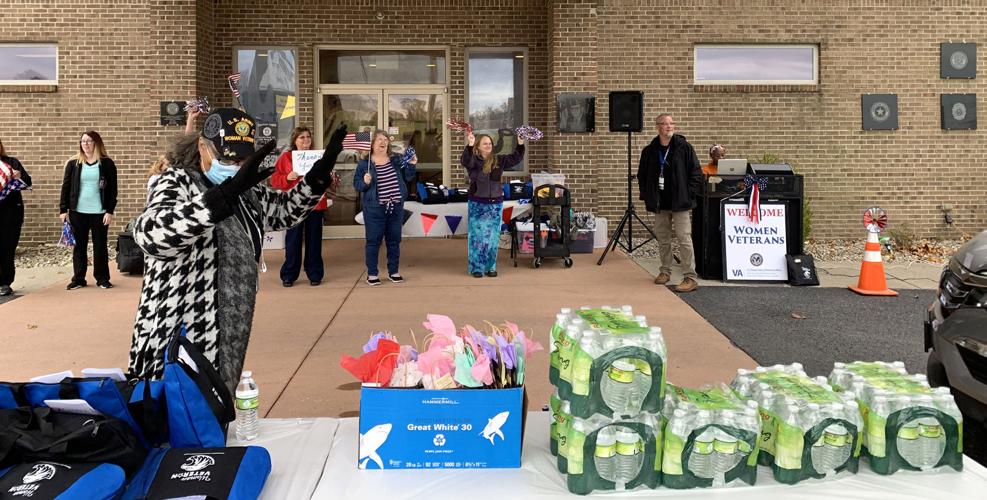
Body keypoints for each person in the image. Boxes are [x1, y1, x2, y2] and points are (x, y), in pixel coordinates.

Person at [127, 107, 347, 395]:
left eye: (241, 158)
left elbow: (283, 211)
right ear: (202, 147)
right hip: (177, 330)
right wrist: (219, 200)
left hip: (229, 329)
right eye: (227, 156)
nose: (233, 164)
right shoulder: (176, 181)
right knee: (176, 418)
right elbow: (151, 235)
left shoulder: (245, 190)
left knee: (215, 410)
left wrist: (317, 176)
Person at [637, 113, 702, 293]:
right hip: (660, 203)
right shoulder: (649, 151)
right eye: (665, 124)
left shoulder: (684, 148)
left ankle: (690, 277)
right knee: (663, 239)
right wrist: (647, 195)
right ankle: (665, 271)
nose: (669, 126)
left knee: (684, 238)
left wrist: (688, 194)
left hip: (680, 202)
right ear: (657, 127)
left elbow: (696, 173)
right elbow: (642, 176)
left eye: (671, 123)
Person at [354, 130, 417, 286]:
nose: (383, 142)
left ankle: (393, 271)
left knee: (394, 241)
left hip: (395, 206)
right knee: (373, 241)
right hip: (375, 208)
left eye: (385, 139)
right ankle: (372, 274)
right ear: (372, 144)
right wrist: (365, 182)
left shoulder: (396, 160)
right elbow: (358, 185)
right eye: (379, 140)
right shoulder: (364, 164)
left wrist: (412, 165)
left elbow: (409, 177)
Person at [59, 130, 118, 290]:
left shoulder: (107, 164)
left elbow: (113, 190)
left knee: (100, 245)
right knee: (79, 246)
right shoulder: (73, 164)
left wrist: (109, 211)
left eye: (89, 141)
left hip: (100, 212)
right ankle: (79, 278)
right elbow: (66, 187)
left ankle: (102, 278)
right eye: (83, 141)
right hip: (78, 211)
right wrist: (63, 209)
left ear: (96, 143)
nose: (85, 144)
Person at [461, 131, 525, 278]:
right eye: (485, 143)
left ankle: (491, 266)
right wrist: (470, 144)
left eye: (490, 143)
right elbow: (465, 161)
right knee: (478, 237)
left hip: (495, 204)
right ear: (478, 147)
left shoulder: (498, 160)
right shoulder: (473, 161)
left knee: (493, 237)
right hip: (478, 203)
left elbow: (516, 158)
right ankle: (477, 268)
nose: (488, 145)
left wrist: (520, 143)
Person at [271, 126, 328, 287]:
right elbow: (275, 180)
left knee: (314, 241)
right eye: (301, 137)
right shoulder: (286, 158)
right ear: (295, 141)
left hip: (314, 204)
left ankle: (314, 273)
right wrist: (287, 177)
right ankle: (289, 274)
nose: (305, 140)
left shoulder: (319, 158)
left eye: (308, 137)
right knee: (293, 240)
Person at [0, 138, 32, 297]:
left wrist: (18, 175)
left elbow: (27, 181)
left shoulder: (12, 162)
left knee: (7, 247)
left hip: (11, 212)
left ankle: (5, 282)